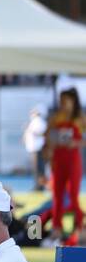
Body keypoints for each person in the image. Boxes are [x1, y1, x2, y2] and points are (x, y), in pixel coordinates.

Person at [43, 87, 84, 246]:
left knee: (73, 196)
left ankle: (80, 228)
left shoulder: (80, 118)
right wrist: (49, 148)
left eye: (65, 101)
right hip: (58, 159)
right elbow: (47, 134)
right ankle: (56, 230)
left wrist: (77, 142)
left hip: (73, 159)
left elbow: (83, 139)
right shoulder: (56, 117)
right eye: (61, 101)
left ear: (73, 101)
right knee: (57, 196)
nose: (62, 104)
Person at [23, 106, 47, 189]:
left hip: (38, 149)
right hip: (34, 149)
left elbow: (41, 133)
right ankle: (38, 185)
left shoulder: (39, 122)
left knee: (39, 169)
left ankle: (40, 186)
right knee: (36, 169)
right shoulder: (34, 122)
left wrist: (31, 132)